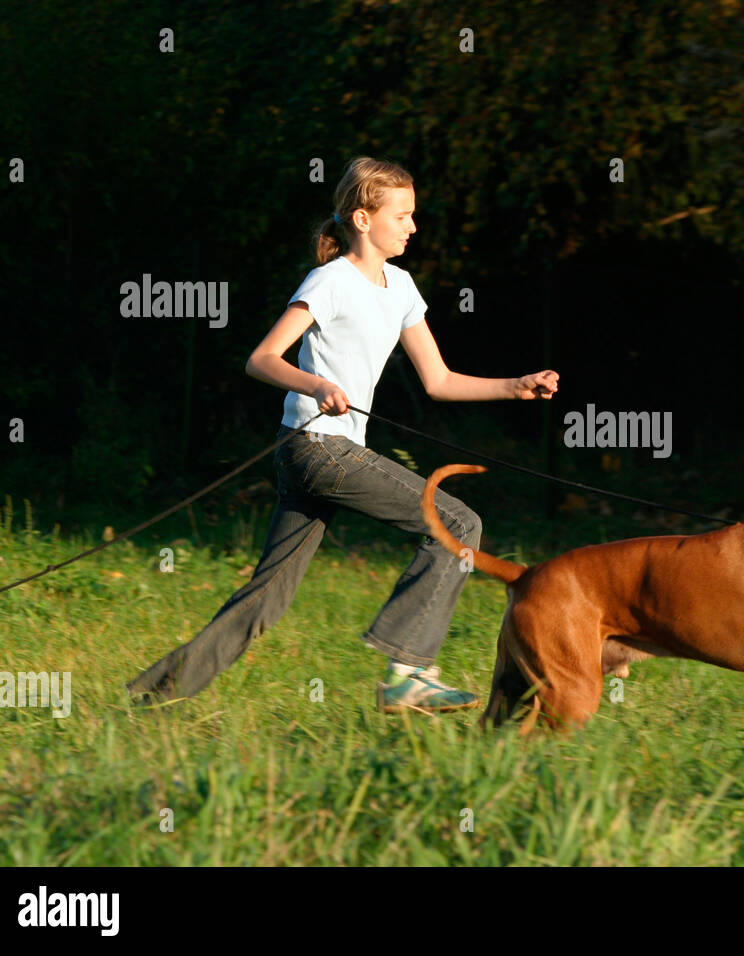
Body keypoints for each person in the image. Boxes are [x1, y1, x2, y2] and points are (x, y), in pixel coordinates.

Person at [127, 156, 559, 713]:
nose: (412, 226)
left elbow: (440, 380)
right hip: (318, 448)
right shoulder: (329, 281)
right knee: (457, 522)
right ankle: (407, 670)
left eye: (412, 215)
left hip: (328, 454)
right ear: (362, 218)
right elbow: (262, 359)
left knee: (266, 597)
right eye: (401, 215)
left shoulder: (400, 287)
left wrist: (514, 386)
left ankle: (154, 695)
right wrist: (316, 383)